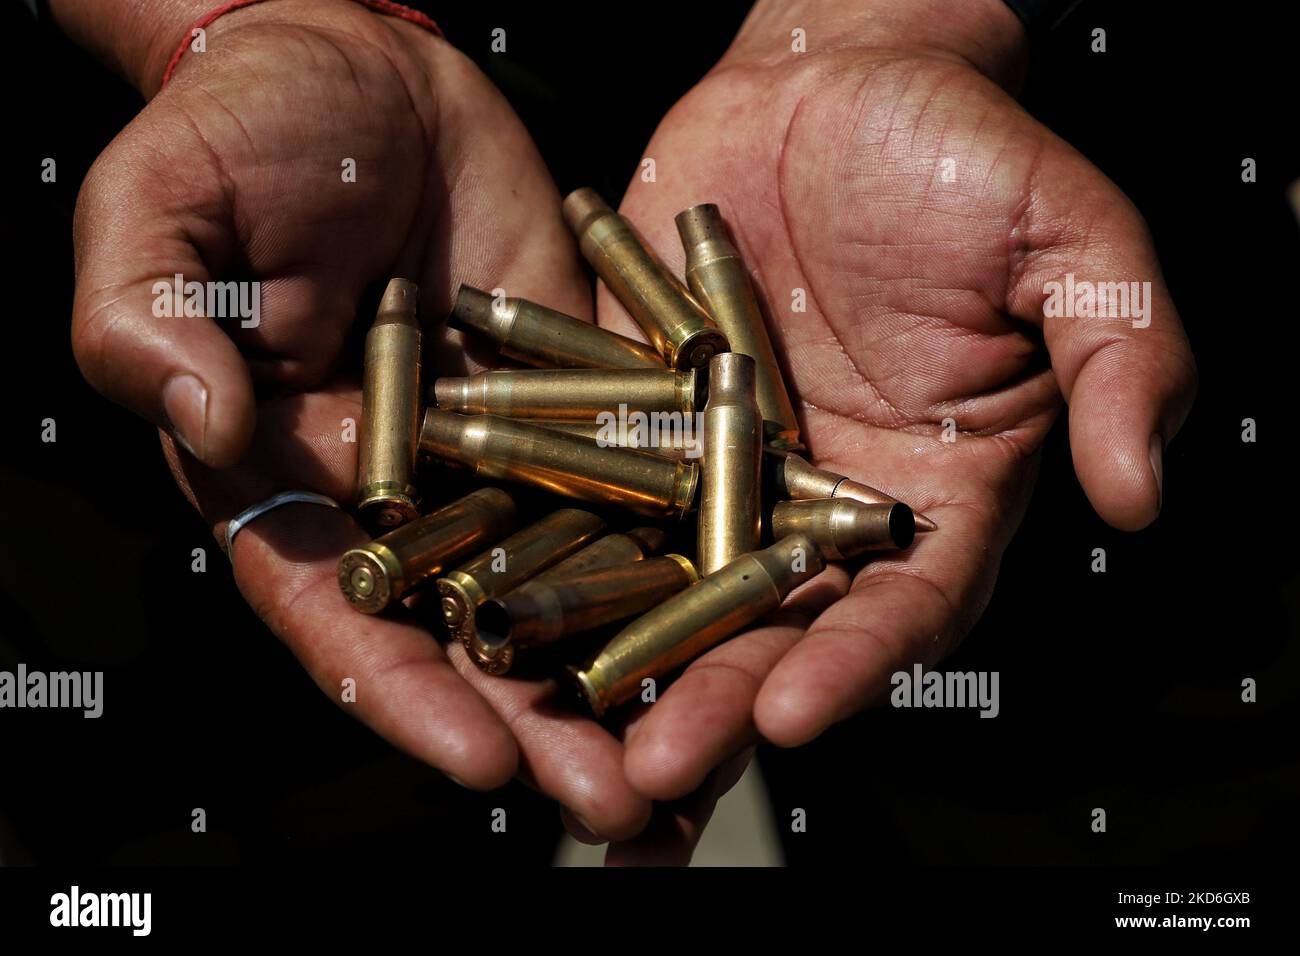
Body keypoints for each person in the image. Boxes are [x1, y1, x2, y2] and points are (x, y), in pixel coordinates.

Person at [50, 0, 1196, 864]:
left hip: (979, 274)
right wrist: (221, 20)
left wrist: (903, 17)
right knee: (217, 800)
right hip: (269, 367)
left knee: (1114, 797)